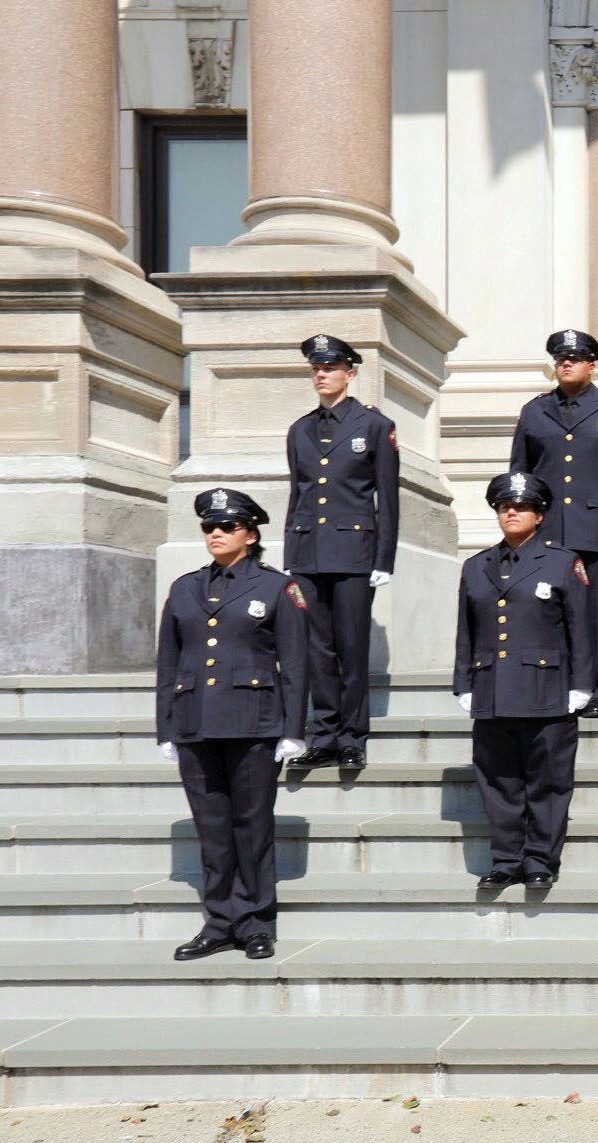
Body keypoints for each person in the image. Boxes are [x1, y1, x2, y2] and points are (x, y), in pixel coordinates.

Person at [157, 488, 310, 961]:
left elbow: (298, 663)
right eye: (209, 527)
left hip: (253, 723)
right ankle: (219, 920)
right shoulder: (185, 587)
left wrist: (293, 729)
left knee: (251, 825)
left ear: (251, 533)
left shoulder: (275, 587)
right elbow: (168, 662)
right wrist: (165, 729)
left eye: (226, 527)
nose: (216, 534)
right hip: (196, 722)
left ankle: (256, 921)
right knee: (213, 827)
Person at [453, 472, 595, 891]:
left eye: (520, 507)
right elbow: (467, 628)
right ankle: (506, 858)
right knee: (498, 780)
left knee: (547, 782)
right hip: (493, 688)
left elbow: (581, 630)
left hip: (546, 690)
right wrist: (463, 681)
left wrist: (581, 685)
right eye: (503, 506)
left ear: (540, 515)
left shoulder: (562, 562)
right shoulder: (476, 566)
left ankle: (539, 859)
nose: (510, 512)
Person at [508, 328, 598, 717]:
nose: (565, 364)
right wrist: (520, 526)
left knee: (595, 615)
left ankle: (591, 692)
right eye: (559, 359)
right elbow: (519, 475)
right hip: (548, 534)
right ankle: (552, 688)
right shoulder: (534, 411)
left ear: (592, 364)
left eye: (573, 358)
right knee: (544, 613)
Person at [282, 333, 397, 770]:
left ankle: (352, 737)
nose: (321, 374)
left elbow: (387, 498)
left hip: (354, 552)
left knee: (350, 647)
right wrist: (292, 552)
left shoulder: (374, 426)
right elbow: (299, 494)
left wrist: (383, 559)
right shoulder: (300, 430)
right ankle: (325, 735)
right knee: (317, 648)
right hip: (309, 553)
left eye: (329, 368)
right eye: (316, 369)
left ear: (350, 374)